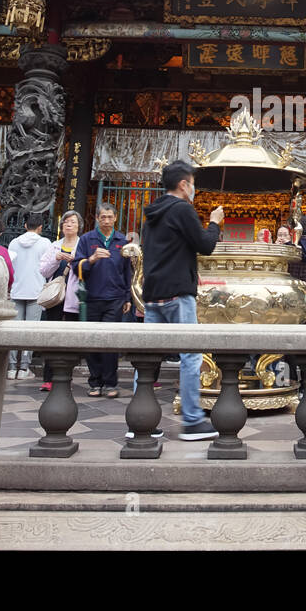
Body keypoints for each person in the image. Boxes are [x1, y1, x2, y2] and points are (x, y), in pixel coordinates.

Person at [136, 160, 224, 441]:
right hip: (178, 295)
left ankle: (139, 420)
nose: (193, 189)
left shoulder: (152, 215)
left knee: (148, 359)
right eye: (192, 183)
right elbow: (205, 245)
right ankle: (193, 420)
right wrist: (214, 223)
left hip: (153, 296)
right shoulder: (182, 209)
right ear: (184, 185)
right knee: (191, 356)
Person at [71, 203, 132, 399]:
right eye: (103, 217)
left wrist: (128, 297)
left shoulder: (122, 241)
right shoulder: (87, 239)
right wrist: (91, 260)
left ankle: (110, 382)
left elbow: (127, 272)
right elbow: (76, 267)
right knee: (92, 341)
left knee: (110, 341)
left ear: (115, 218)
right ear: (97, 218)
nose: (106, 221)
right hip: (92, 297)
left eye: (110, 217)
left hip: (115, 298)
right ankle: (95, 381)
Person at [38, 211, 84, 389]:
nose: (68, 224)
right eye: (65, 222)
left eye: (72, 222)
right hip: (55, 297)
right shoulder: (54, 246)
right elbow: (43, 271)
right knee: (52, 336)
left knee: (71, 338)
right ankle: (48, 378)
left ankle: (67, 377)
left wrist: (77, 263)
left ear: (79, 226)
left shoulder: (83, 245)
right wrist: (56, 260)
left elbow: (88, 270)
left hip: (73, 297)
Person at [7, 213, 53, 379]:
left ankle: (12, 367)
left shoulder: (13, 242)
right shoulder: (45, 243)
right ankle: (24, 368)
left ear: (26, 226)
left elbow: (9, 266)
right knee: (30, 330)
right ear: (40, 227)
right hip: (36, 290)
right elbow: (49, 266)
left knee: (14, 330)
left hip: (16, 289)